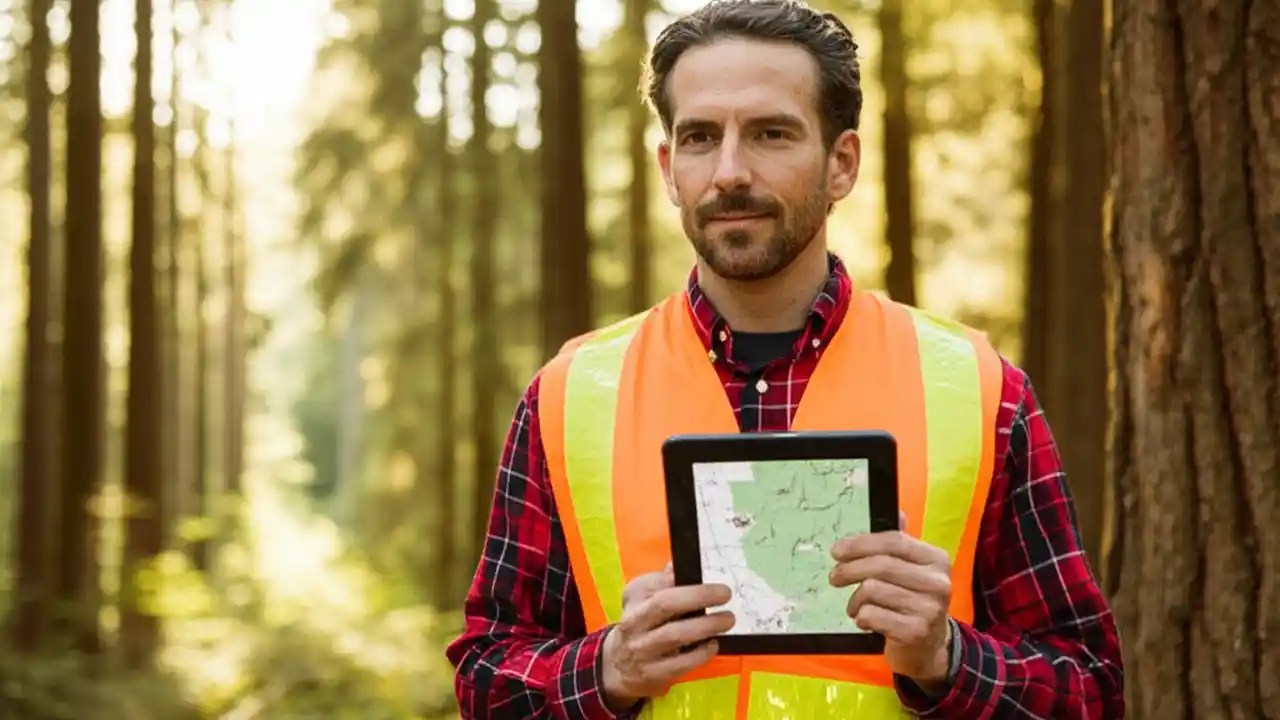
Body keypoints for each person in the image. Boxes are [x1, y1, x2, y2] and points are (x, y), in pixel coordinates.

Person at [446, 1, 1124, 717]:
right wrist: (607, 669)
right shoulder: (568, 396)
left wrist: (948, 659)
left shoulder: (982, 390)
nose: (731, 171)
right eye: (702, 137)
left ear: (842, 164)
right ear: (670, 168)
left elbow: (1089, 685)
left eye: (771, 133)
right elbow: (486, 680)